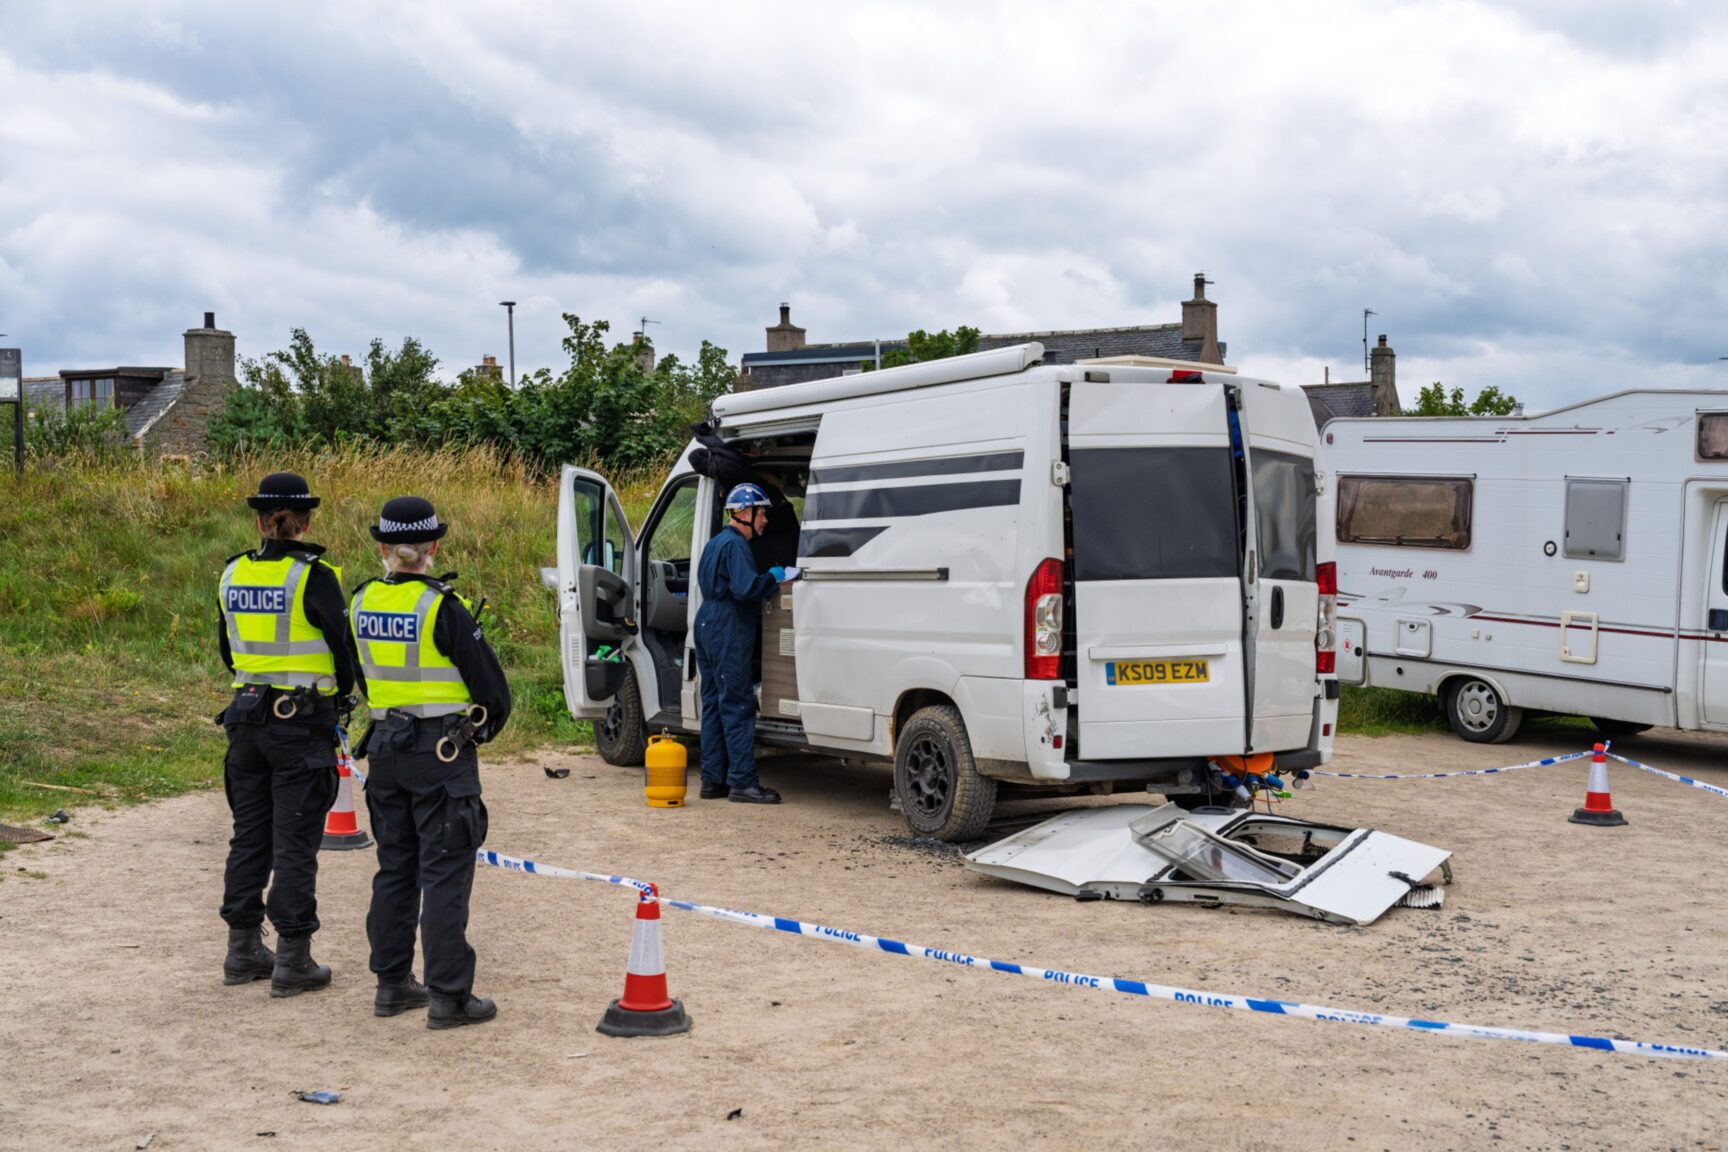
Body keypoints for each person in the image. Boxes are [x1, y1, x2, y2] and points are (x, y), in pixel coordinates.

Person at [349, 496, 511, 1029]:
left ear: (383, 548)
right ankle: (448, 997)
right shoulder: (443, 606)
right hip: (440, 753)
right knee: (444, 873)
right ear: (433, 546)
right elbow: (492, 690)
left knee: (396, 869)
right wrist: (478, 732)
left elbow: (359, 671)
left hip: (386, 751)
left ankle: (391, 984)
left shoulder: (361, 601)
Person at [216, 471, 360, 997]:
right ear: (305, 523)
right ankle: (293, 959)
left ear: (258, 520)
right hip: (299, 723)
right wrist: (342, 698)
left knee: (249, 837)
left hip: (245, 718)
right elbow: (343, 651)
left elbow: (227, 651)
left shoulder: (232, 573)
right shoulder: (313, 575)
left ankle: (242, 950)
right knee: (296, 843)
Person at [694, 483, 800, 804]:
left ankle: (712, 780)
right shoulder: (737, 546)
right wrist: (774, 577)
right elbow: (746, 588)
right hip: (727, 625)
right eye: (762, 513)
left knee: (712, 703)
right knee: (738, 703)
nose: (765, 520)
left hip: (706, 620)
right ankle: (742, 782)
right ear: (743, 513)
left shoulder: (714, 544)